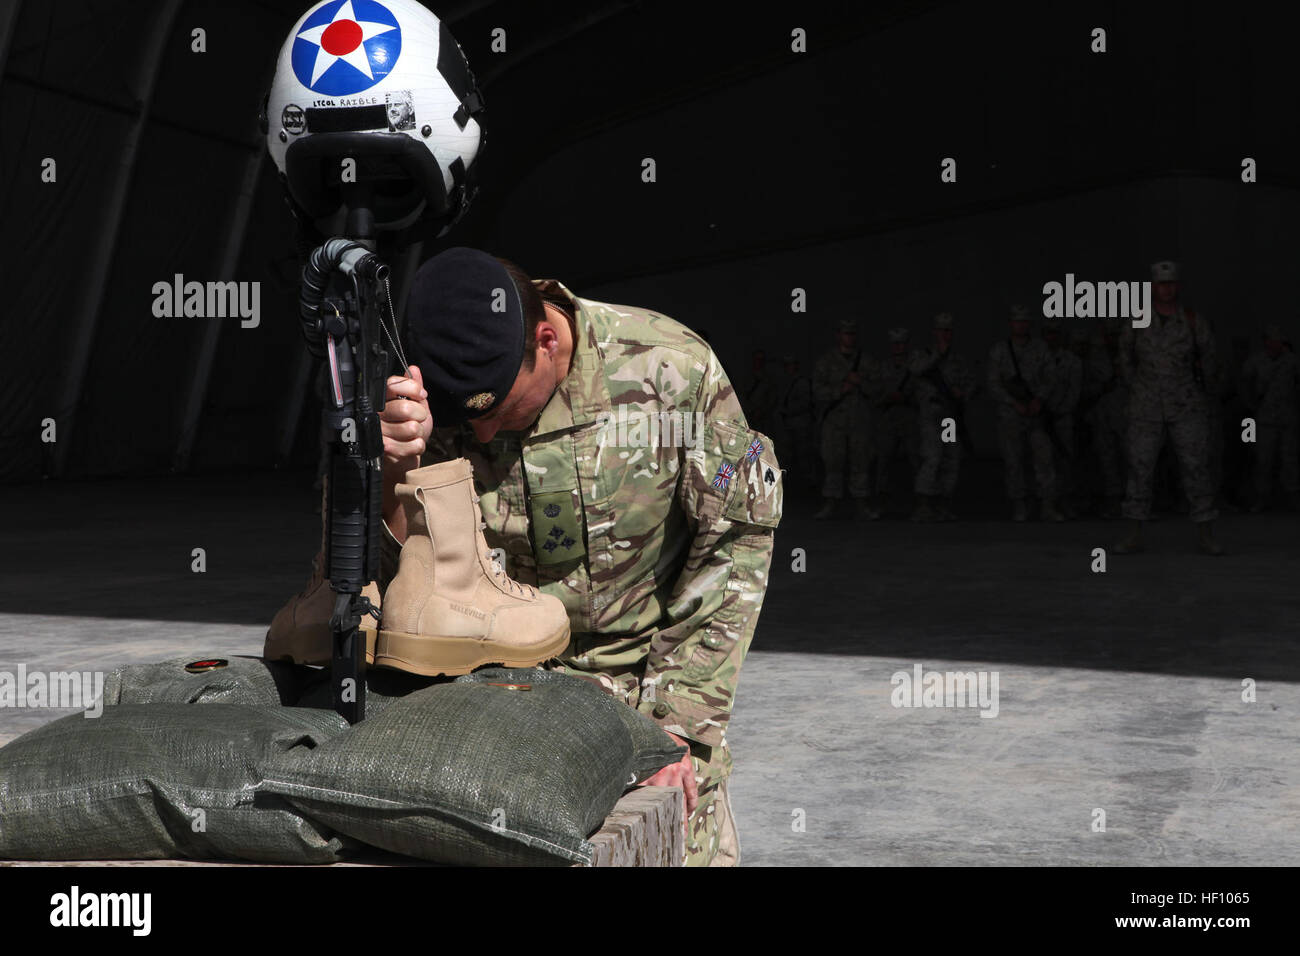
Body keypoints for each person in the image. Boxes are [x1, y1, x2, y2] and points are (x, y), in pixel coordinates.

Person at [379, 248, 782, 866]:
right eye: (468, 420)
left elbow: (732, 547)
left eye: (501, 410)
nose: (483, 436)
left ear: (547, 340)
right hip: (491, 714)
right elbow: (397, 588)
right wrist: (393, 470)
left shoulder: (670, 370)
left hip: (646, 697)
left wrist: (675, 724)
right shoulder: (421, 396)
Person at [1113, 261, 1223, 555]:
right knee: (1139, 469)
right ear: (1153, 286)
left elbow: (1210, 360)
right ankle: (1134, 533)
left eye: (1171, 283)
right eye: (1161, 284)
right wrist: (1137, 388)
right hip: (1145, 407)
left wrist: (1199, 392)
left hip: (1185, 406)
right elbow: (1123, 358)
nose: (1166, 288)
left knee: (1196, 467)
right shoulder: (1137, 320)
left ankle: (1205, 534)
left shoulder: (1192, 321)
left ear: (1178, 286)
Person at [986, 305, 1061, 521]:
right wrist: (1013, 403)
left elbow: (1051, 377)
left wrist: (1039, 399)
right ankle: (1020, 505)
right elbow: (993, 383)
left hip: (1036, 414)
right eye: (1017, 321)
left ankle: (1047, 505)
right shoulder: (999, 351)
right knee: (1013, 461)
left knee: (1044, 459)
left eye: (1025, 321)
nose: (1021, 325)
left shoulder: (1041, 349)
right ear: (1011, 324)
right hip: (1011, 415)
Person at [910, 312, 977, 521]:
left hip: (949, 417)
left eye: (948, 331)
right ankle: (923, 504)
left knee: (950, 459)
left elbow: (972, 383)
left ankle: (943, 503)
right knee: (932, 457)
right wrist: (938, 355)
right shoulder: (923, 355)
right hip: (931, 415)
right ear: (934, 332)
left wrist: (963, 393)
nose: (945, 334)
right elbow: (915, 369)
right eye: (941, 330)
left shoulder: (957, 360)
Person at [812, 319, 879, 520]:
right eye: (845, 333)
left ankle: (861, 503)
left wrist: (861, 383)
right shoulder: (826, 362)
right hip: (835, 422)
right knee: (833, 461)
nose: (849, 337)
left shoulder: (866, 361)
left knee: (861, 461)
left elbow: (879, 389)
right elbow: (816, 390)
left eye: (852, 334)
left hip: (859, 420)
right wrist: (838, 391)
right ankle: (831, 503)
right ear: (838, 335)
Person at [1242, 324, 1300, 511]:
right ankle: (1262, 498)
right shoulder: (1256, 361)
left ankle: (1292, 498)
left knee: (1289, 460)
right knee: (1263, 461)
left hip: (1287, 419)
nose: (1274, 343)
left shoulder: (1292, 361)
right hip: (1265, 420)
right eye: (1271, 339)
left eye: (1278, 340)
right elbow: (1244, 382)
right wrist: (1250, 405)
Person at [872, 327, 921, 515]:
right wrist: (887, 398)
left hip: (909, 418)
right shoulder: (883, 367)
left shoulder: (914, 368)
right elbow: (874, 393)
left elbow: (921, 392)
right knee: (883, 462)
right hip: (888, 419)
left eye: (902, 343)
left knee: (917, 461)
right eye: (895, 344)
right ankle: (881, 503)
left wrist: (906, 398)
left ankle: (921, 503)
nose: (898, 347)